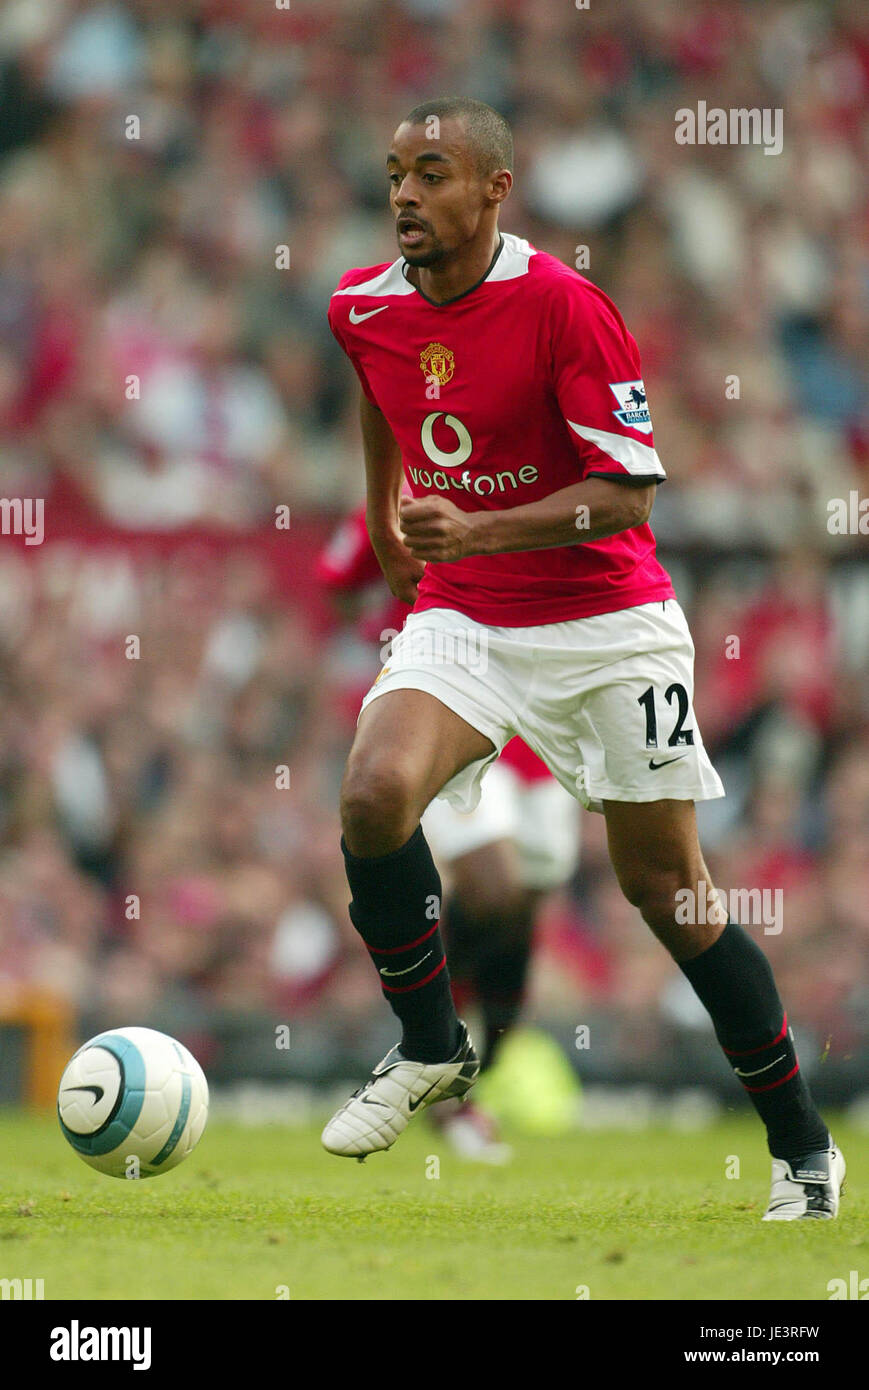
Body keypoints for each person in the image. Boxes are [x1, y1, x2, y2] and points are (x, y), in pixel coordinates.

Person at [321, 97, 843, 1221]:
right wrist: (382, 525)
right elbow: (380, 394)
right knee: (372, 795)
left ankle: (802, 1146)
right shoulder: (360, 306)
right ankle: (428, 1048)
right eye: (396, 172)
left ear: (493, 190)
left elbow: (625, 495)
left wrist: (479, 527)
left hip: (609, 627)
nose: (406, 193)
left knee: (667, 892)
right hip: (468, 614)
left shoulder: (567, 308)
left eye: (433, 173)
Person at [316, 504, 581, 1162]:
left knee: (519, 914)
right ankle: (433, 1043)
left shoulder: (537, 490)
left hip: (542, 735)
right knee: (493, 889)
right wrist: (394, 650)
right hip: (450, 723)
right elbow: (339, 583)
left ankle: (470, 1087)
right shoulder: (400, 505)